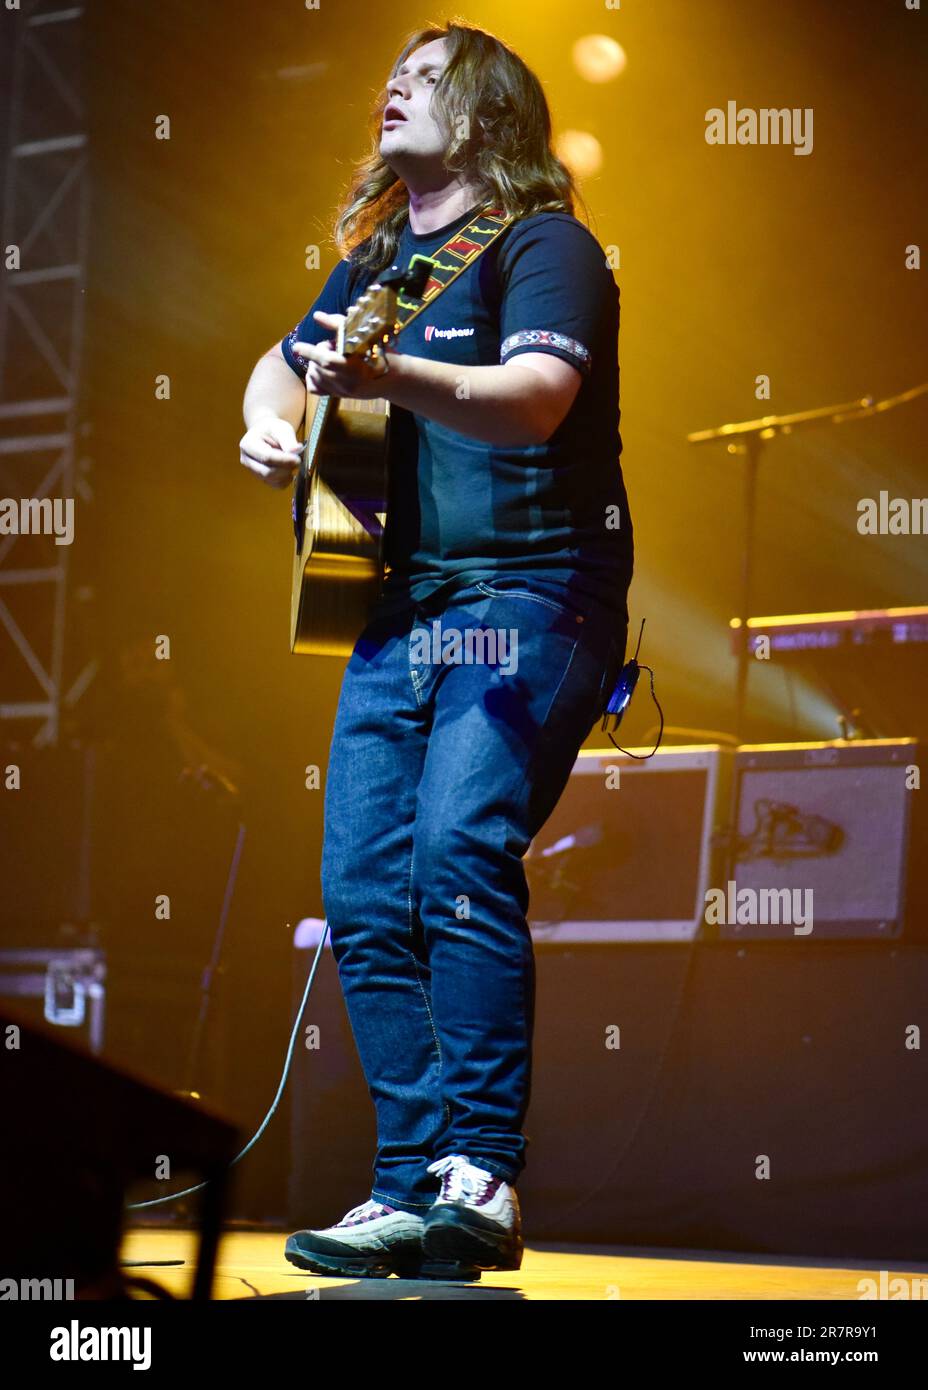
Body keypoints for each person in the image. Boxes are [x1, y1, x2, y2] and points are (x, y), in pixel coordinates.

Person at [240, 21, 634, 1282]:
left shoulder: (545, 246)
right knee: (359, 891)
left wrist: (387, 371)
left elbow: (534, 400)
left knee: (458, 845)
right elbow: (282, 367)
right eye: (387, 76)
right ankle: (410, 1183)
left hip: (533, 594)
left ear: (485, 112)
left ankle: (480, 1170)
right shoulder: (375, 264)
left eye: (424, 76)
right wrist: (267, 419)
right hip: (397, 607)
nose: (392, 88)